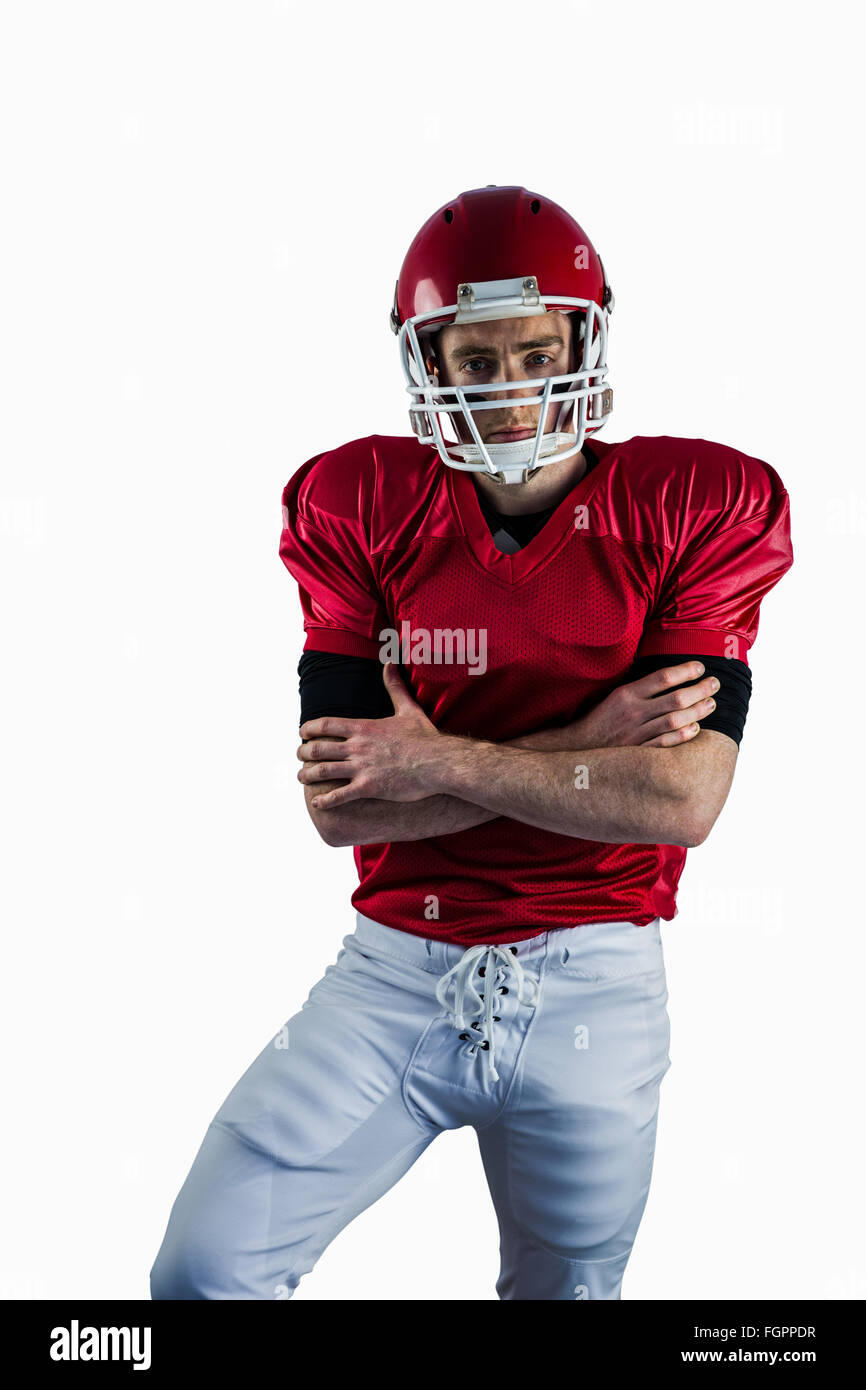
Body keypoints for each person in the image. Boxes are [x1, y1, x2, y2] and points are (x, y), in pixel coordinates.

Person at [150, 184, 793, 1300]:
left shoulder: (695, 499)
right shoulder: (355, 500)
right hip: (393, 966)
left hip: (596, 970)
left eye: (535, 352)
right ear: (427, 364)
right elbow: (343, 807)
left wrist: (438, 760)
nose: (510, 392)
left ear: (582, 341)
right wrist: (591, 742)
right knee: (202, 1272)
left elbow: (680, 800)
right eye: (477, 363)